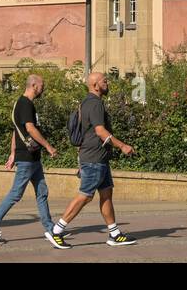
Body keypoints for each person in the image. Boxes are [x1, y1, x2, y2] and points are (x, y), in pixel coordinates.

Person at [0, 74, 70, 249]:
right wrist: (48, 146)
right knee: (16, 194)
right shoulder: (25, 104)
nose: (43, 88)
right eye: (42, 85)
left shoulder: (23, 103)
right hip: (27, 159)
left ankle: (50, 228)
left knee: (42, 192)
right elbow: (29, 129)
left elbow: (16, 131)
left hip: (32, 158)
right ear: (34, 85)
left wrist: (12, 153)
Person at [51, 71, 136, 246]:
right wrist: (122, 146)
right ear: (95, 85)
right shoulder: (95, 104)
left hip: (98, 157)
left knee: (106, 194)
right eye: (105, 81)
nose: (107, 84)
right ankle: (56, 231)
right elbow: (100, 131)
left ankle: (114, 234)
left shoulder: (85, 102)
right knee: (85, 196)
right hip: (94, 158)